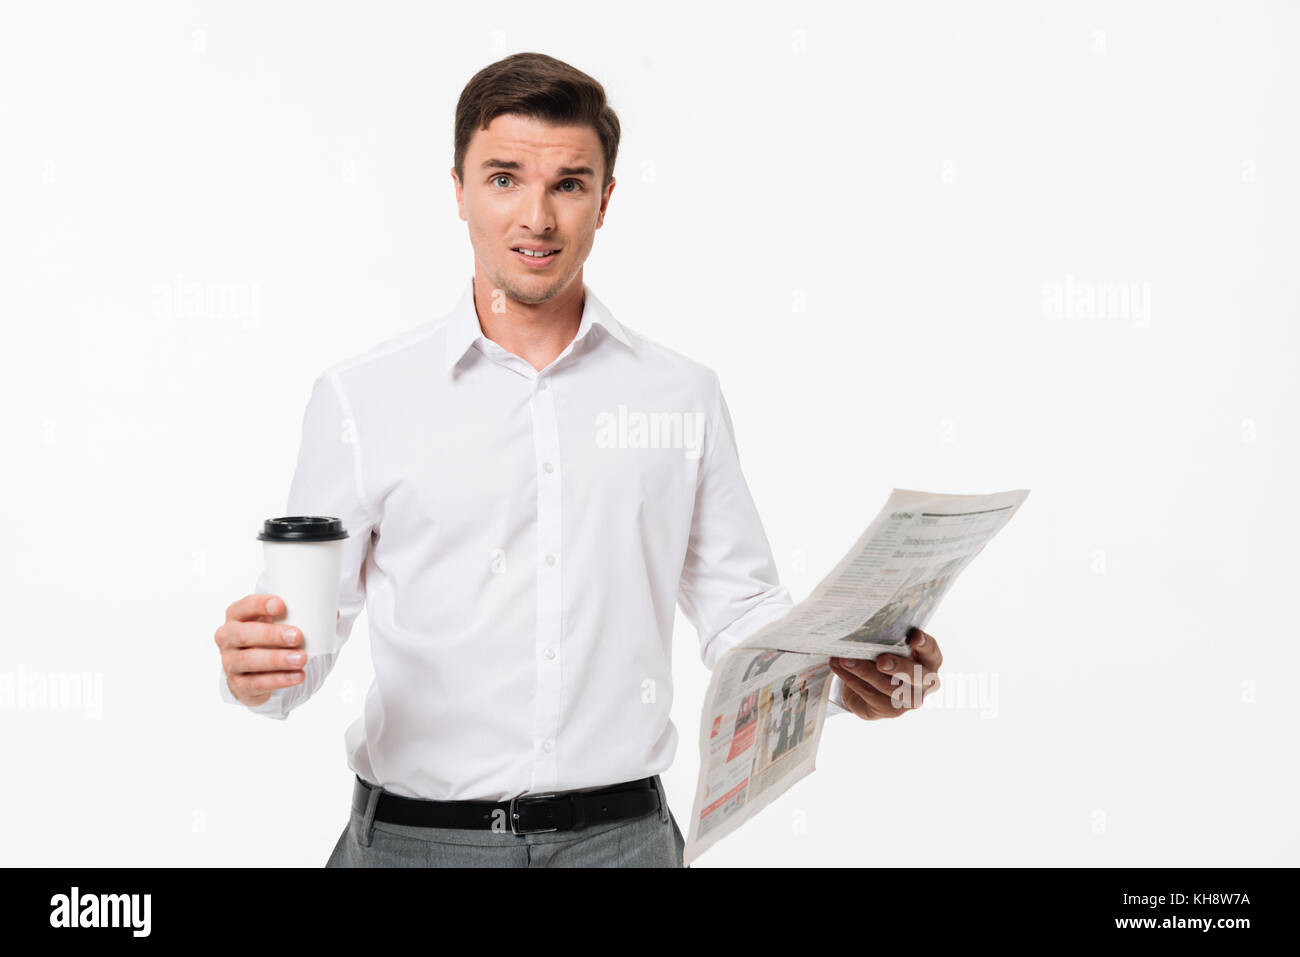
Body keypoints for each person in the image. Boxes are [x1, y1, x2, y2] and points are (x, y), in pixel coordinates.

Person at [213, 52, 944, 868]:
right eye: (502, 179)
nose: (537, 217)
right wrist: (259, 671)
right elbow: (301, 642)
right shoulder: (362, 399)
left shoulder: (680, 397)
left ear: (604, 199)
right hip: (414, 847)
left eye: (568, 183)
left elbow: (741, 615)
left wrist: (850, 672)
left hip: (622, 845)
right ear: (457, 189)